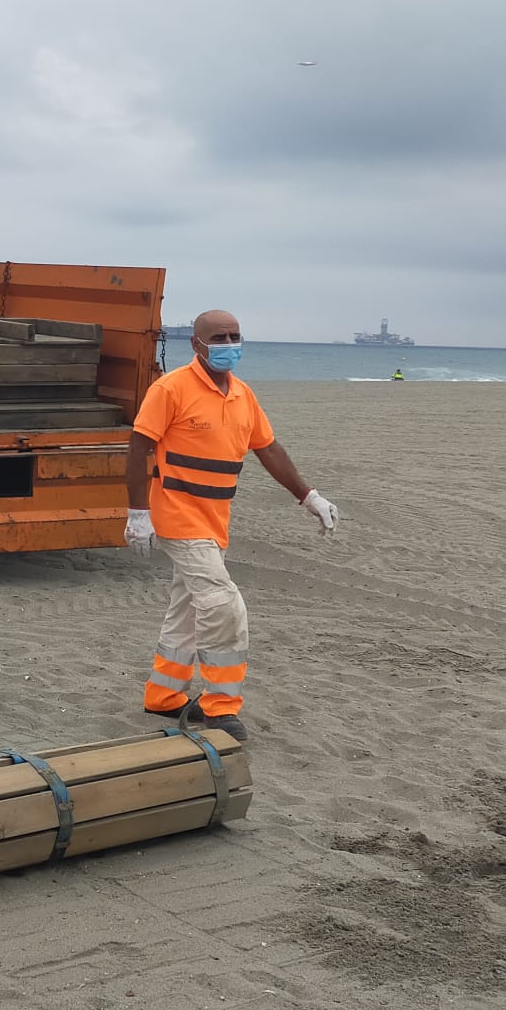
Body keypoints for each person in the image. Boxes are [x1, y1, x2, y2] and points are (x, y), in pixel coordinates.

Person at [122, 310, 338, 740]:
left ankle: (163, 698)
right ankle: (221, 707)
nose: (228, 343)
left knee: (186, 609)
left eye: (235, 335)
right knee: (223, 605)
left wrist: (308, 495)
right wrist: (137, 513)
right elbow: (138, 446)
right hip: (178, 517)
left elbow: (268, 448)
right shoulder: (171, 389)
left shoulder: (241, 395)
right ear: (196, 344)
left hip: (215, 520)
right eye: (218, 336)